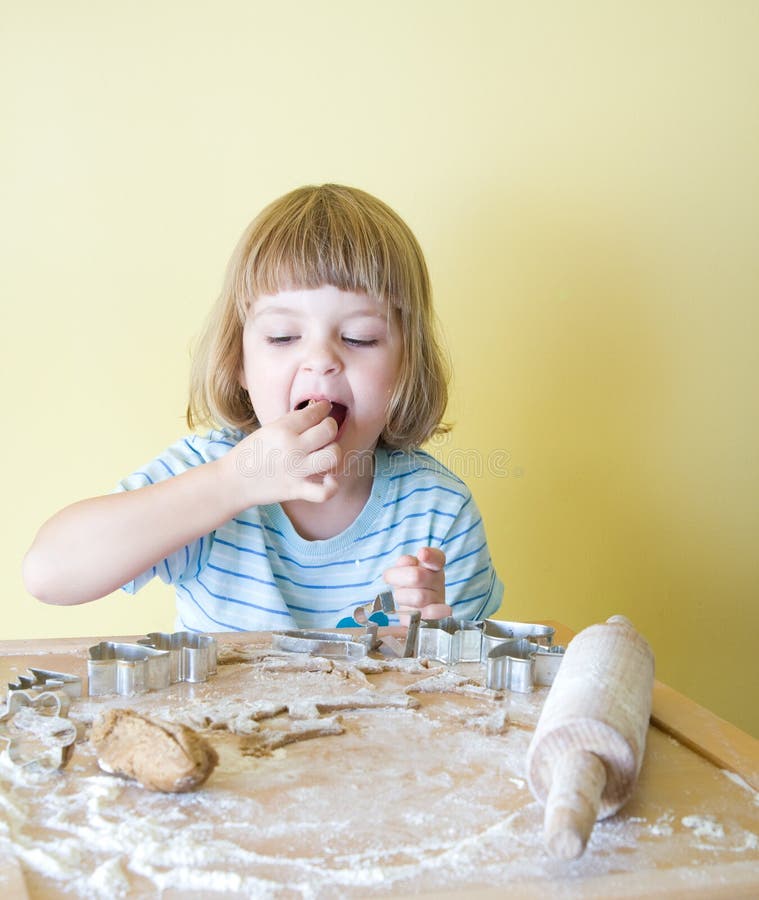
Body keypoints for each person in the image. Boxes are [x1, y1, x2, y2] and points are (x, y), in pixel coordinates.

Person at [23, 184, 503, 632]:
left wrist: (428, 636)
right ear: (238, 361)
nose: (321, 359)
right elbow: (48, 573)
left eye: (360, 338)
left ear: (406, 367)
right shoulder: (208, 473)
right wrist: (232, 483)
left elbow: (465, 680)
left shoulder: (439, 512)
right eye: (283, 336)